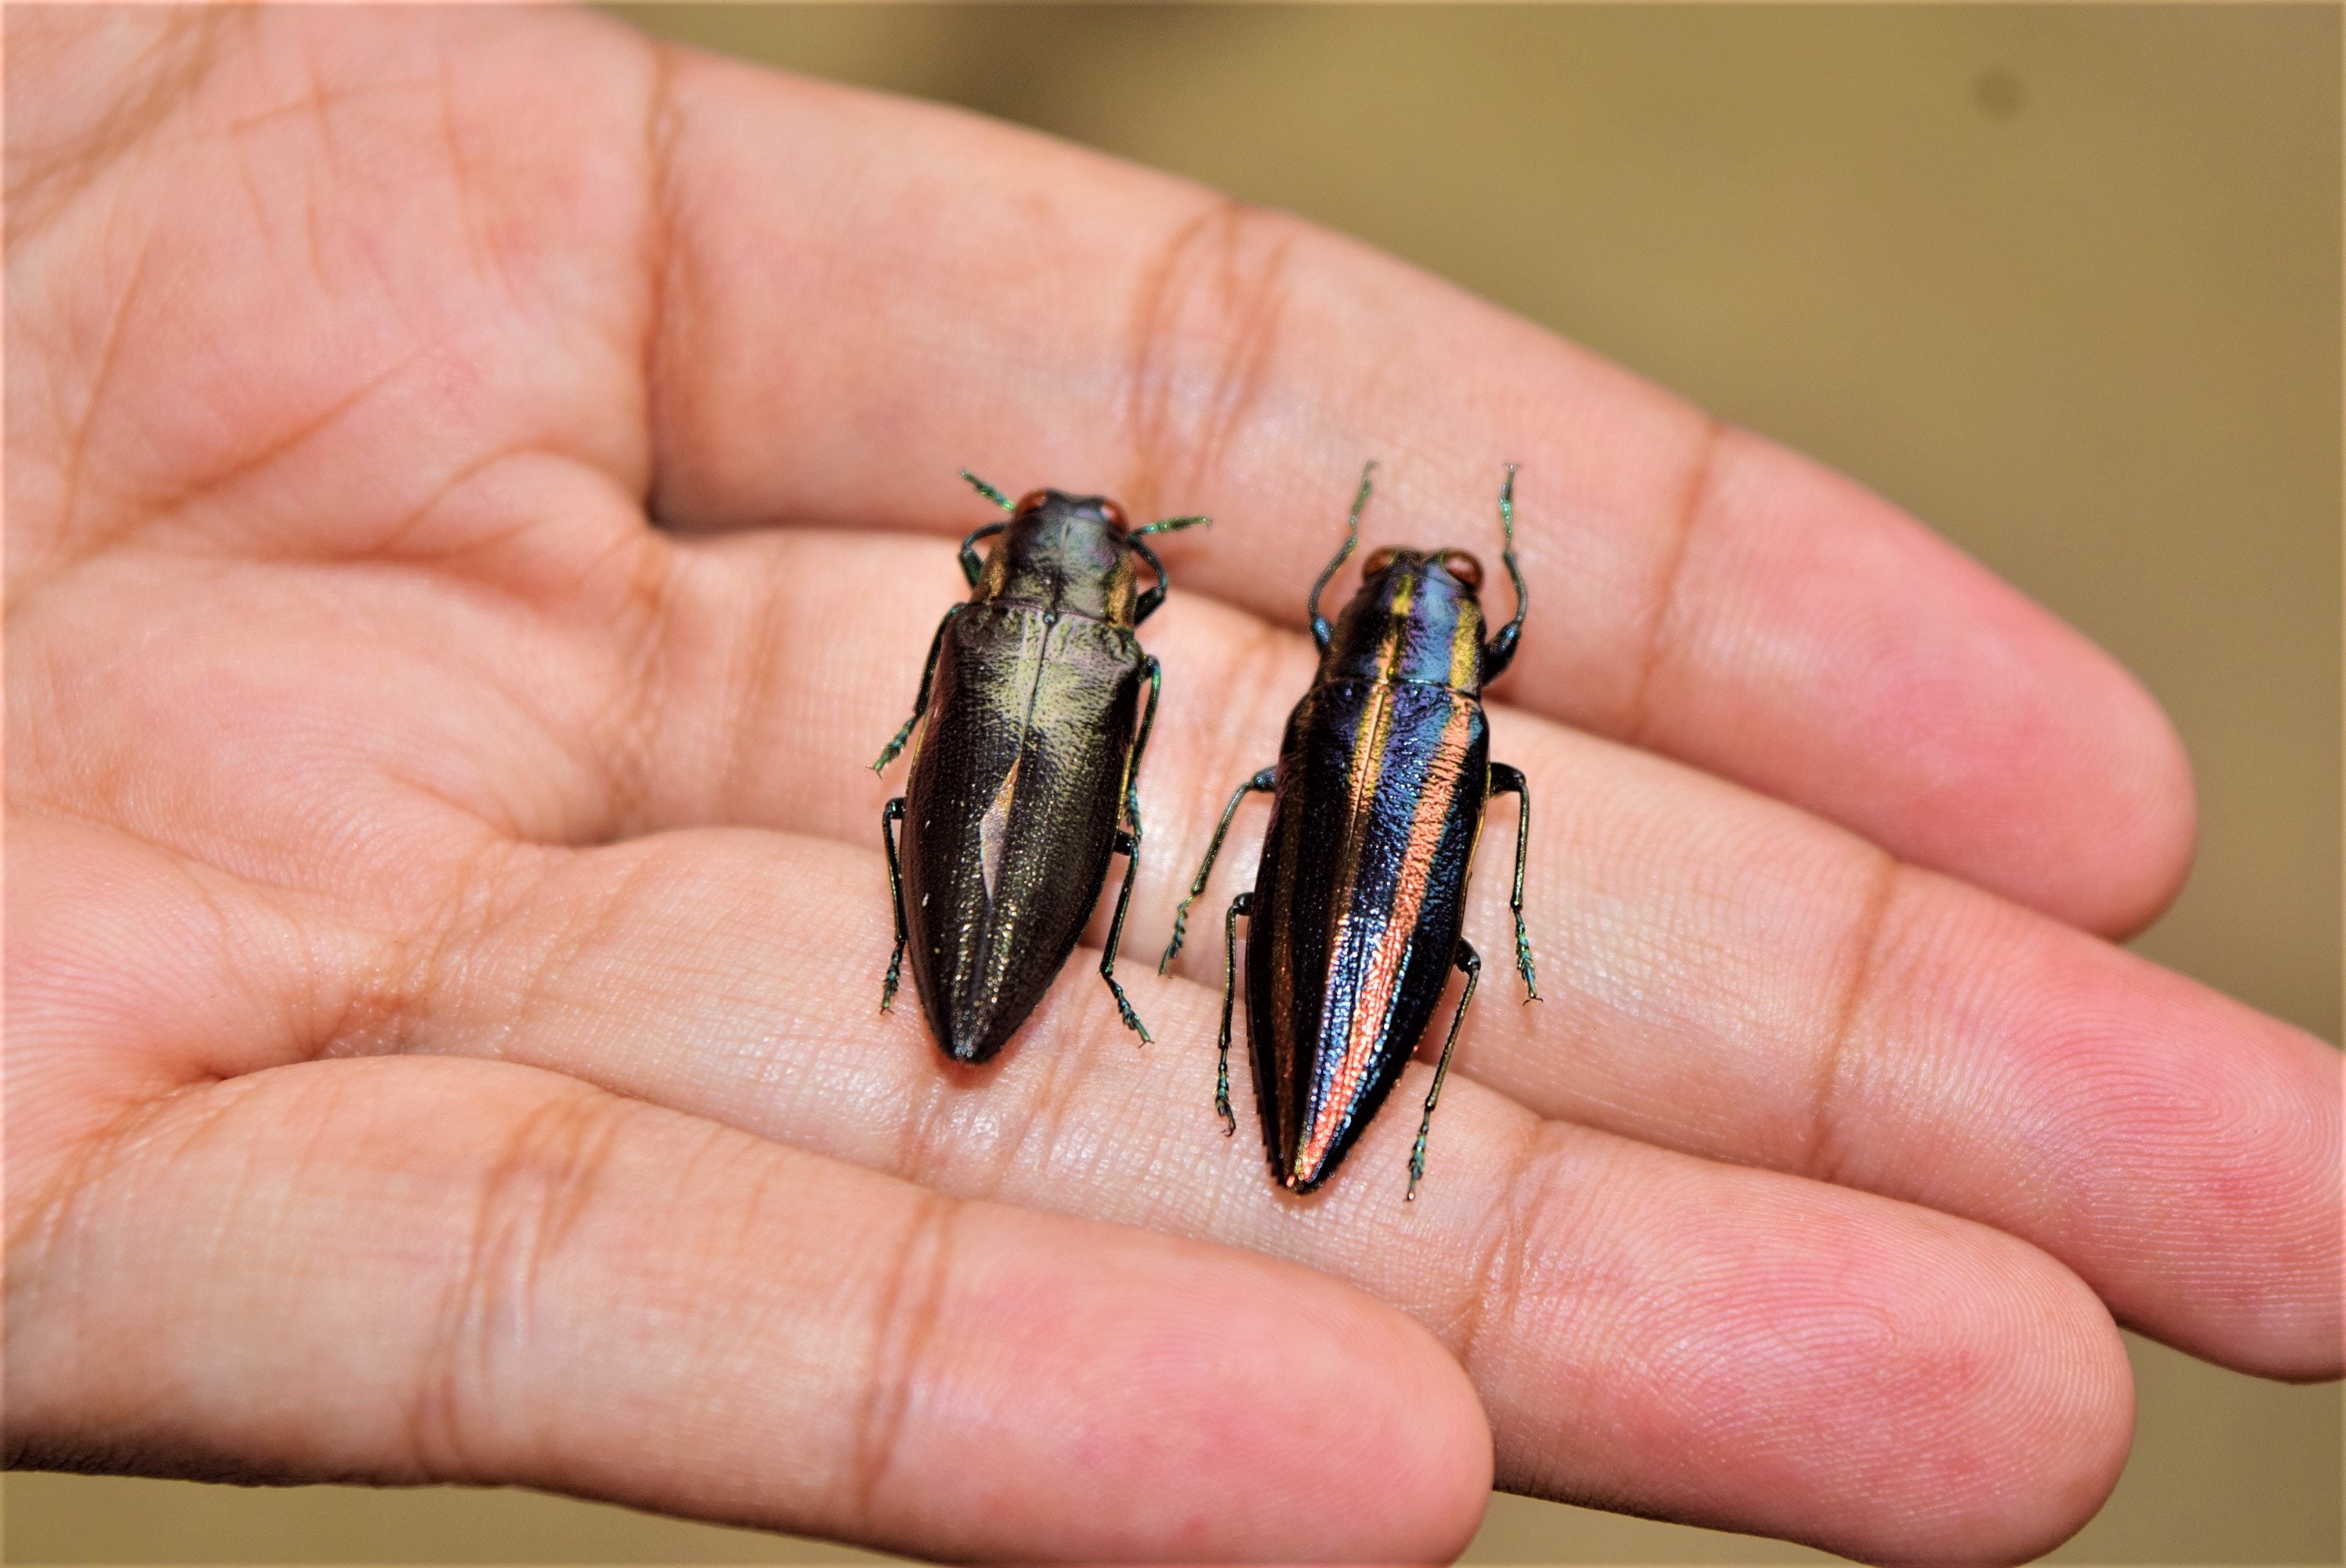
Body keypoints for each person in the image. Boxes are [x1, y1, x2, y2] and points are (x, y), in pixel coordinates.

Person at [7, 7, 2335, 1563]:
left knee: (1246, 888)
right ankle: (1268, 1041)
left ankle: (1251, 1037)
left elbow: (994, 734)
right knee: (1220, 876)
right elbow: (1043, 751)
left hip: (1200, 838)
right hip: (1177, 842)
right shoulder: (1289, 693)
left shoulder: (1245, 688)